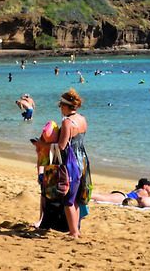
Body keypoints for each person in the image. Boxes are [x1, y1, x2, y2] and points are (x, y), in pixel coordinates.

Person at [52, 89, 91, 238]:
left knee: (68, 198)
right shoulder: (82, 119)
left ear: (66, 106)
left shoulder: (68, 122)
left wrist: (47, 145)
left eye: (61, 106)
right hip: (83, 160)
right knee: (77, 197)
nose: (60, 109)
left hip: (71, 162)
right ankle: (76, 229)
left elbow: (62, 146)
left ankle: (74, 232)